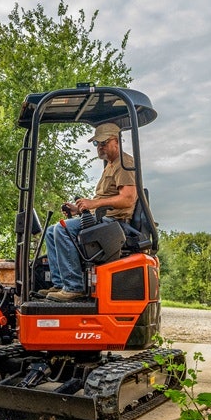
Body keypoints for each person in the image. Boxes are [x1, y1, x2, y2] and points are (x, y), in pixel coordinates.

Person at [42, 122, 137, 301]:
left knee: (63, 229)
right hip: (102, 218)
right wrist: (78, 209)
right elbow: (104, 200)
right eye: (96, 143)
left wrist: (93, 203)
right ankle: (60, 283)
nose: (99, 147)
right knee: (50, 231)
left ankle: (73, 287)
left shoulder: (124, 164)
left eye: (103, 142)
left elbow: (128, 199)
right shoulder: (110, 165)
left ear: (116, 141)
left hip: (114, 222)